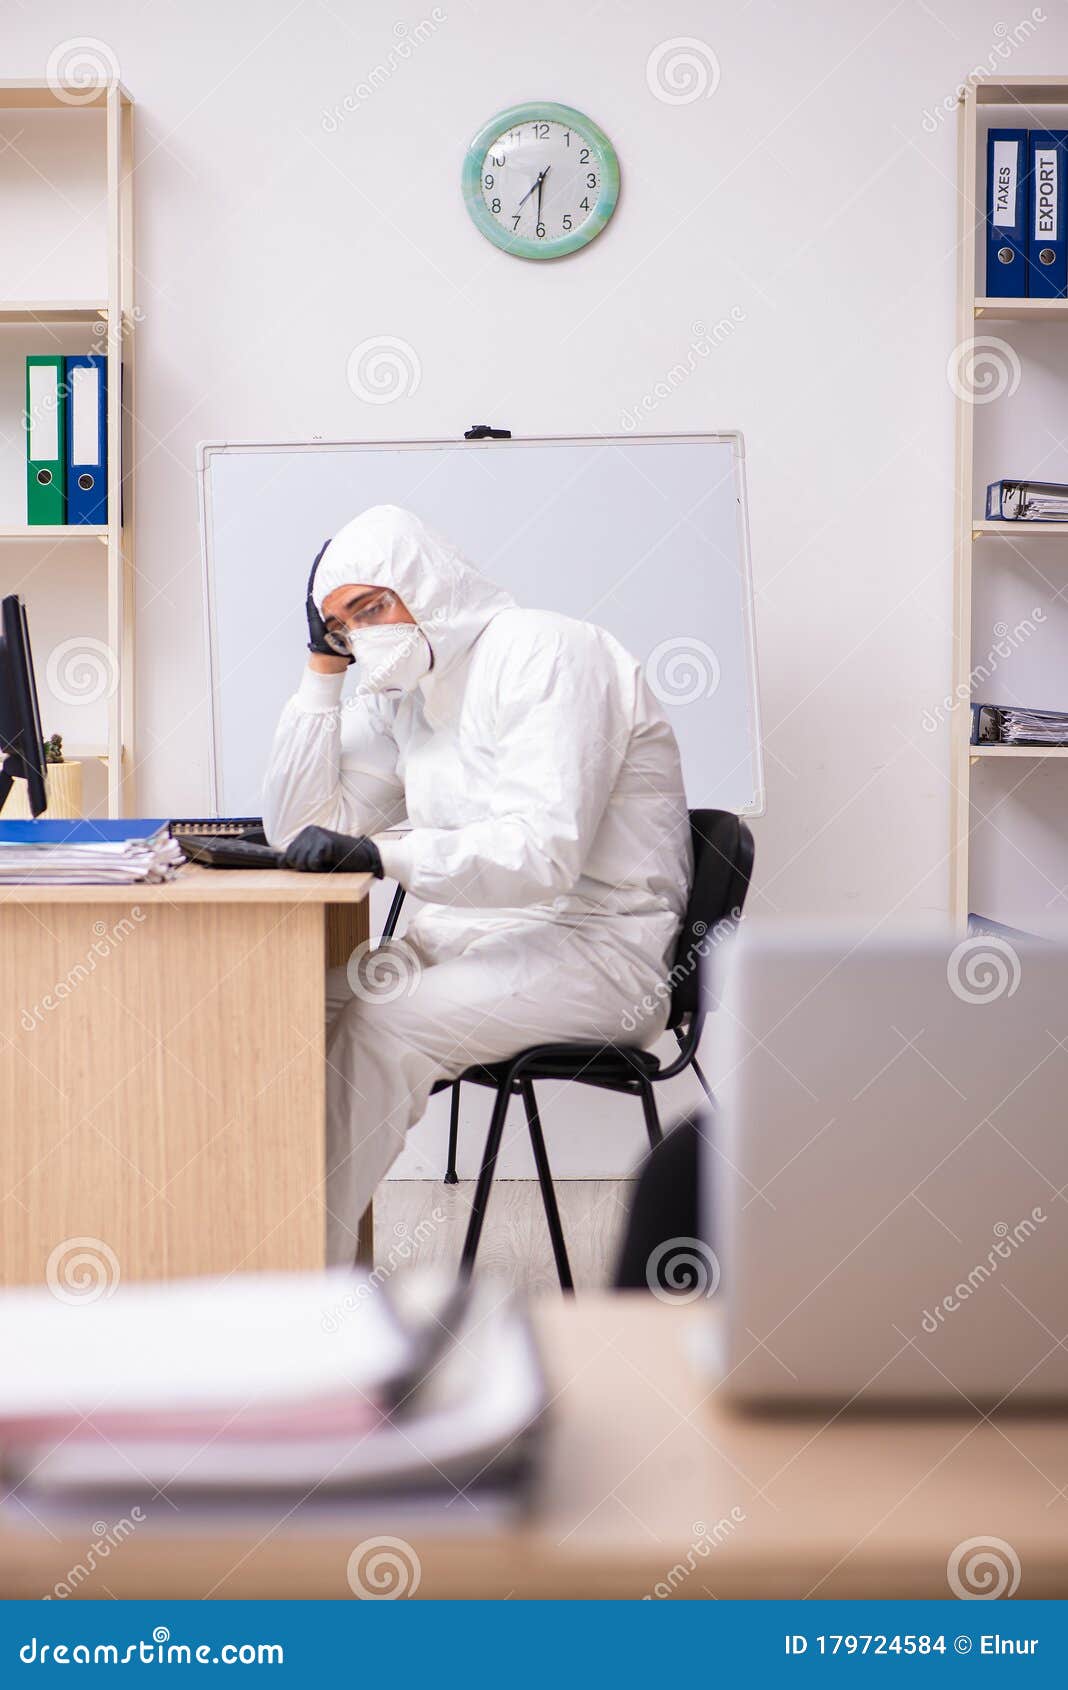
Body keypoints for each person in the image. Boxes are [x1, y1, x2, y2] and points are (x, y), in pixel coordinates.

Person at [262, 504, 692, 1265]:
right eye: (343, 626)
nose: (364, 637)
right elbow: (299, 825)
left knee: (382, 1022)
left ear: (424, 583)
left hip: (600, 953)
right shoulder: (408, 697)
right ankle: (271, 1242)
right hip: (475, 939)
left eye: (372, 607)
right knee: (281, 1005)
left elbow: (541, 855)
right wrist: (322, 669)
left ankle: (302, 1284)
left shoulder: (549, 653)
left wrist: (380, 856)